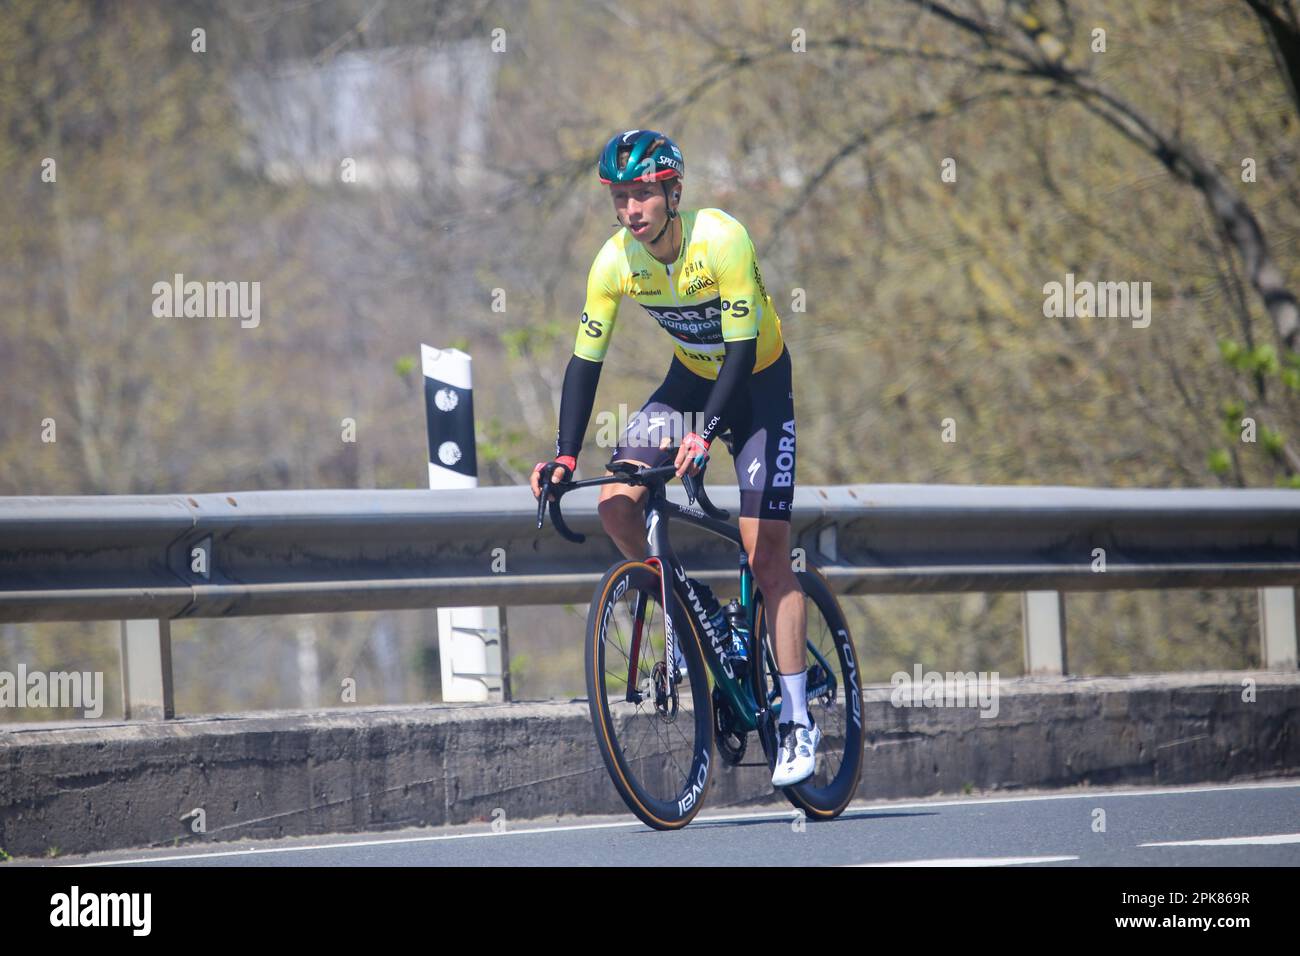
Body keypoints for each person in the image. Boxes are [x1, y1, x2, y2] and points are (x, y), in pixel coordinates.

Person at [529, 129, 817, 786]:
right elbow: (584, 361)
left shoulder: (721, 240)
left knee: (765, 553)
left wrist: (705, 432)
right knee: (616, 504)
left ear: (672, 192)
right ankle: (696, 618)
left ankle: (799, 722)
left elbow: (741, 352)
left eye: (644, 195)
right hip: (690, 381)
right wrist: (565, 456)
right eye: (621, 197)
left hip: (756, 388)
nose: (632, 209)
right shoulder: (615, 263)